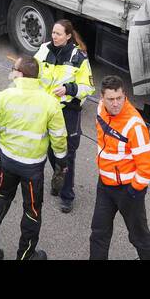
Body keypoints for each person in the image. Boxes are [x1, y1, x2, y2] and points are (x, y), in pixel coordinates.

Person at [0, 55, 68, 261]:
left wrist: (0, 142)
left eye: (13, 68)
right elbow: (59, 138)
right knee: (32, 209)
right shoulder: (50, 103)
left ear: (21, 74)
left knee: (1, 196)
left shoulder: (3, 96)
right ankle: (26, 254)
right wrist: (61, 163)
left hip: (7, 161)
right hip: (32, 168)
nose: (11, 71)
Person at [89, 75, 150, 260]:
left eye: (120, 98)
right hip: (104, 185)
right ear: (102, 98)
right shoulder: (100, 110)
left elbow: (148, 166)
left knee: (139, 237)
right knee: (98, 234)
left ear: (124, 95)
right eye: (111, 99)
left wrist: (133, 192)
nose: (116, 103)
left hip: (128, 189)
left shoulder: (134, 125)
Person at [34, 19, 94, 212]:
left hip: (67, 111)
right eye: (53, 33)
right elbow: (33, 72)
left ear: (68, 36)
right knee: (51, 150)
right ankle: (58, 177)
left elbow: (88, 87)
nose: (54, 37)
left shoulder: (79, 57)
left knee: (67, 154)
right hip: (46, 108)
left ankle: (67, 195)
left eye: (58, 34)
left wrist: (69, 88)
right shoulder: (44, 50)